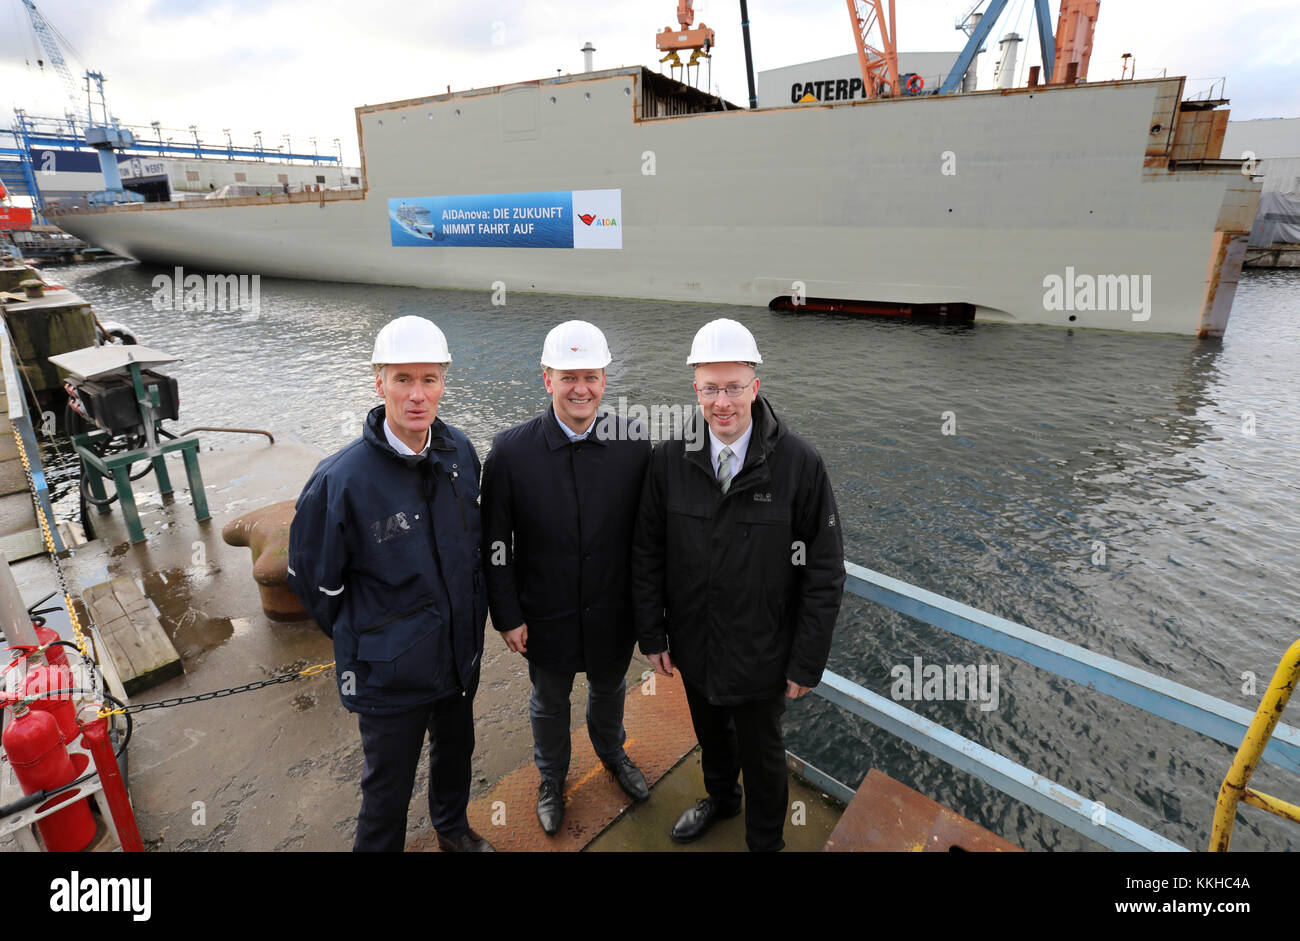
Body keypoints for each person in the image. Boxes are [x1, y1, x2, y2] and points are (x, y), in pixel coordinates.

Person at [632, 318, 846, 852]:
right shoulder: (669, 460)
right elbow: (647, 552)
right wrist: (654, 634)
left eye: (733, 387)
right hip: (695, 643)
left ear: (755, 386)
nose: (721, 402)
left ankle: (764, 843)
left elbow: (824, 570)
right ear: (695, 390)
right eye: (710, 388)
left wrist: (805, 661)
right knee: (710, 737)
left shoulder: (799, 465)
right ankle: (722, 800)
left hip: (763, 652)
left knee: (764, 755)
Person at [287, 315, 493, 853]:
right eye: (403, 379)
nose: (417, 395)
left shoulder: (459, 454)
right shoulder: (342, 480)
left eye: (429, 379)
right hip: (389, 675)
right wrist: (378, 642)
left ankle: (451, 828)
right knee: (386, 792)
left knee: (456, 754)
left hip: (457, 657)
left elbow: (471, 550)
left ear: (445, 382)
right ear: (378, 382)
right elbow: (316, 586)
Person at [481, 320, 652, 835]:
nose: (581, 388)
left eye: (592, 376)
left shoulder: (634, 444)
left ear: (604, 379)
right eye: (568, 376)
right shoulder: (510, 453)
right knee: (549, 700)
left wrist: (649, 615)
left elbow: (649, 540)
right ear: (546, 379)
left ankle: (612, 753)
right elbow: (494, 545)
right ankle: (551, 778)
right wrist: (507, 615)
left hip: (611, 611)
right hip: (545, 614)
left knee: (610, 686)